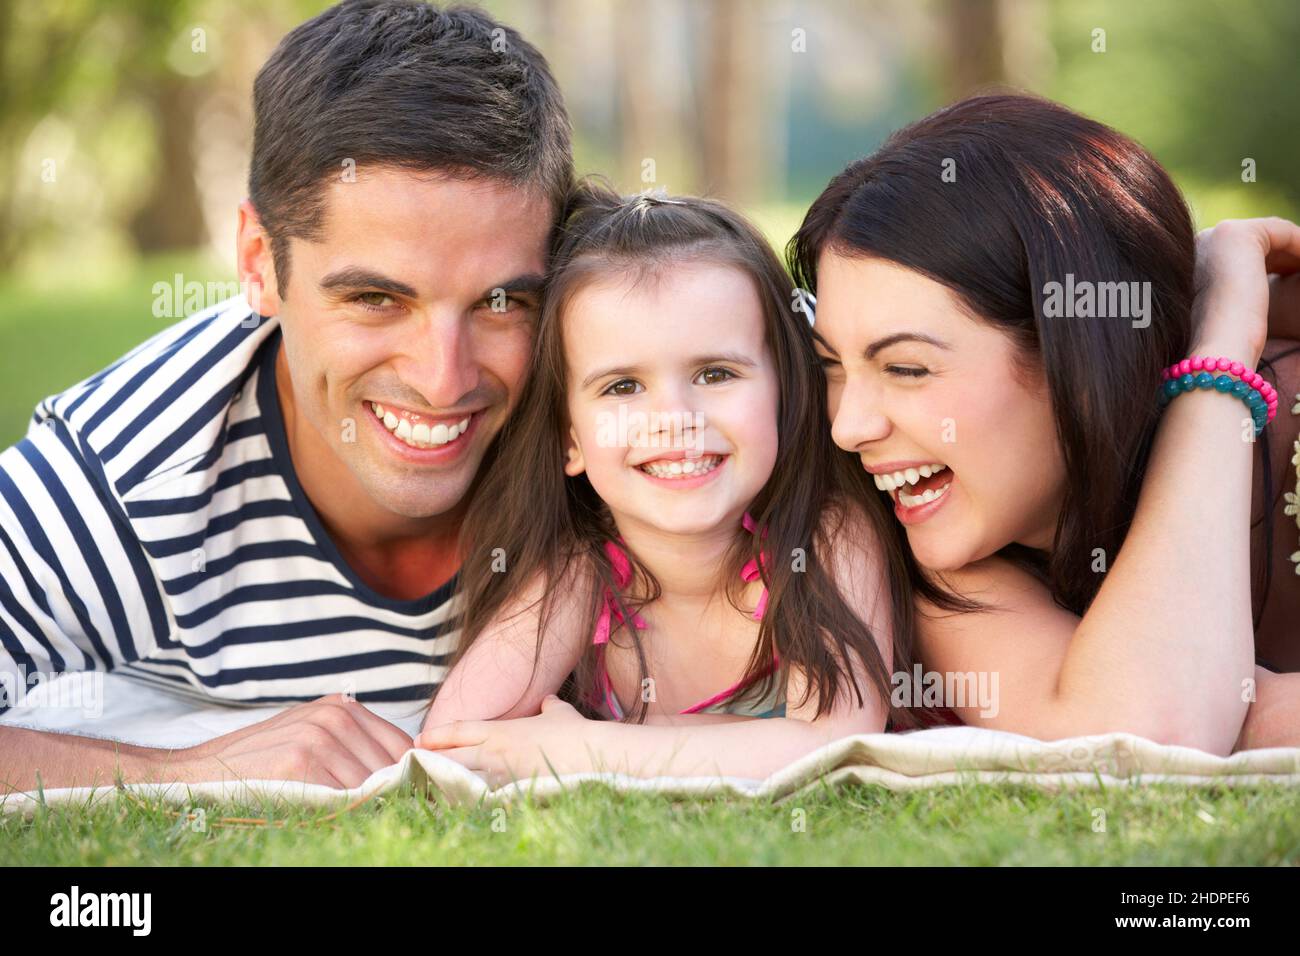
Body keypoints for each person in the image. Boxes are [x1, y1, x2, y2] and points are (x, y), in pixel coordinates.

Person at [0, 0, 572, 792]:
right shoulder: (126, 479)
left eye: (501, 303)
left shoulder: (608, 408)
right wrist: (191, 768)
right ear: (260, 263)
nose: (445, 379)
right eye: (377, 299)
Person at [788, 93, 1300, 754]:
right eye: (833, 365)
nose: (849, 428)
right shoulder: (935, 555)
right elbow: (1145, 735)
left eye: (907, 369)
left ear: (1077, 350)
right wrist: (1220, 347)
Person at [416, 184, 959, 785]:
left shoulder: (823, 537)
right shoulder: (579, 572)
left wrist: (586, 749)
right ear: (570, 438)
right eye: (622, 386)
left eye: (715, 373)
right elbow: (454, 740)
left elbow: (834, 741)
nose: (675, 418)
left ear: (784, 393)